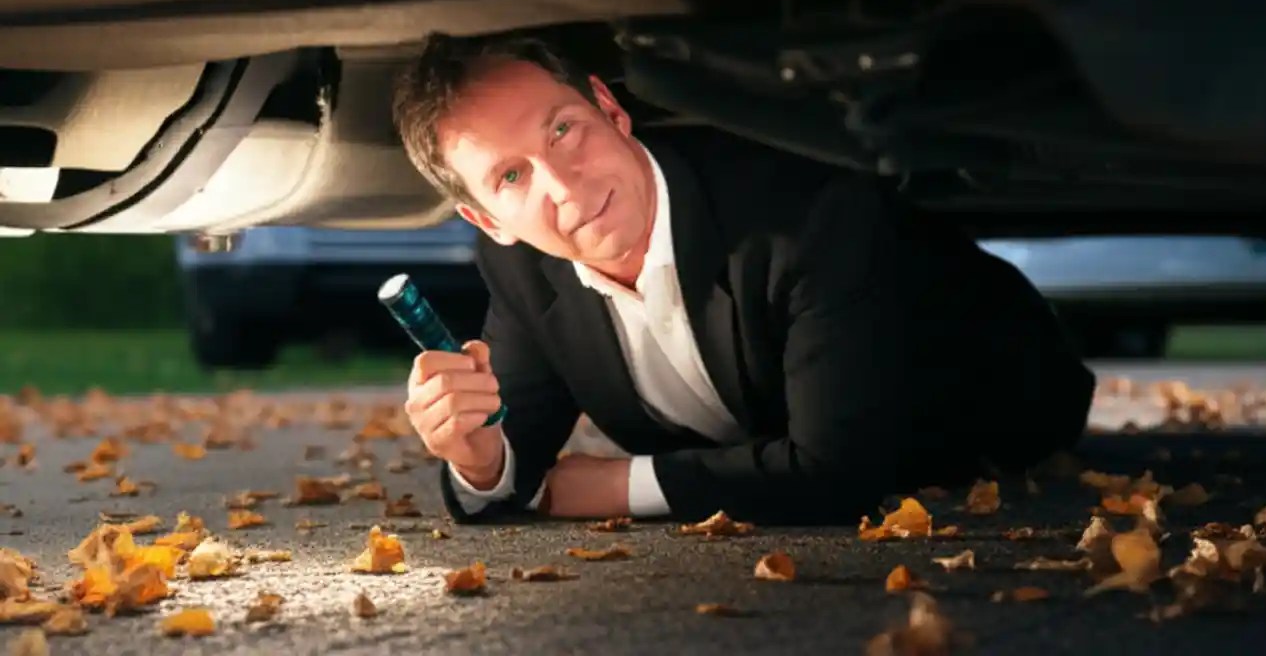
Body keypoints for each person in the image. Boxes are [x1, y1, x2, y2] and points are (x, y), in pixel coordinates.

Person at [390, 34, 1096, 526]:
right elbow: (521, 464)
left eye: (563, 131)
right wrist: (480, 459)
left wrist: (617, 486)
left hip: (1009, 400)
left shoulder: (810, 213)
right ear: (487, 221)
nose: (563, 182)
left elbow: (844, 471)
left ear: (610, 108)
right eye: (512, 175)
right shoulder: (521, 263)